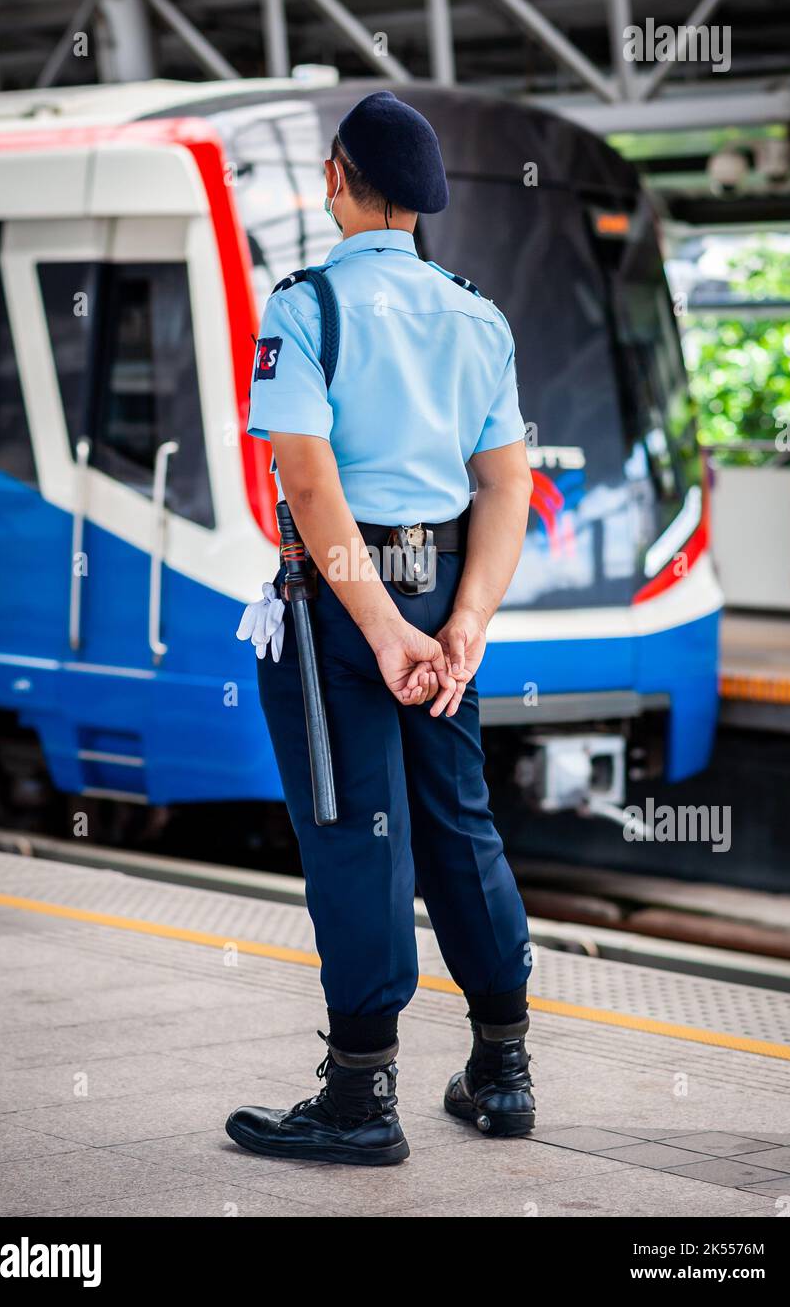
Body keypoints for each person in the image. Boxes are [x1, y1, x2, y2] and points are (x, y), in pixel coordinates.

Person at [226, 90, 535, 1167]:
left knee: (358, 840)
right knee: (461, 825)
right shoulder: (477, 313)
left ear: (334, 178)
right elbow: (506, 488)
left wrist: (380, 629)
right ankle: (502, 1069)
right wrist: (462, 627)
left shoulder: (306, 308)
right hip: (441, 592)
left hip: (337, 612)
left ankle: (360, 1096)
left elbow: (307, 483)